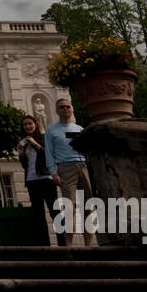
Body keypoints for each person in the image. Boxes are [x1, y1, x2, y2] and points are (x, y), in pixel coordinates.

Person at [44, 98, 97, 246]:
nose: (65, 109)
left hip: (83, 166)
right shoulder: (51, 130)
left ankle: (89, 244)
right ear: (57, 110)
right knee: (69, 208)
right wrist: (54, 173)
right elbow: (49, 153)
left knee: (88, 206)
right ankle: (69, 246)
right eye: (62, 107)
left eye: (68, 107)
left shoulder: (80, 129)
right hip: (65, 168)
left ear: (72, 109)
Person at [17, 115, 59, 246]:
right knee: (39, 216)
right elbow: (25, 165)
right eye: (25, 125)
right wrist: (21, 154)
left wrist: (36, 144)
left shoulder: (44, 138)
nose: (28, 126)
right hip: (31, 180)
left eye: (30, 124)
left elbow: (49, 155)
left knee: (55, 213)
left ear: (35, 124)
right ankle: (44, 246)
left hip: (46, 179)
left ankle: (63, 245)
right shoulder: (24, 142)